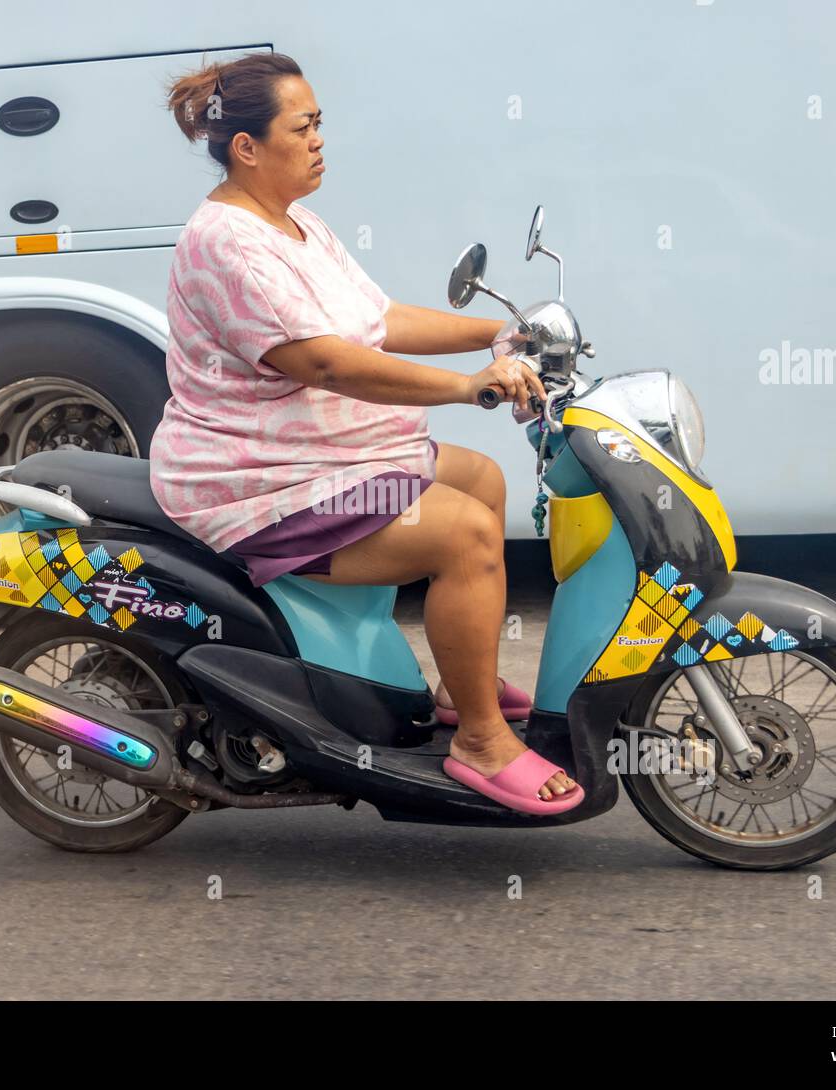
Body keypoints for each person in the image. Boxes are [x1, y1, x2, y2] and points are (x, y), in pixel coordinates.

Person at [149, 52, 581, 814]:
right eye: (303, 126)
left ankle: (459, 684)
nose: (320, 140)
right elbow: (323, 360)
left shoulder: (295, 222)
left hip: (328, 455)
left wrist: (505, 331)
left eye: (321, 124)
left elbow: (376, 321)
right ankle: (481, 739)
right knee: (465, 536)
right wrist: (464, 386)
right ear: (246, 147)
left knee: (482, 479)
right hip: (260, 481)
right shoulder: (227, 243)